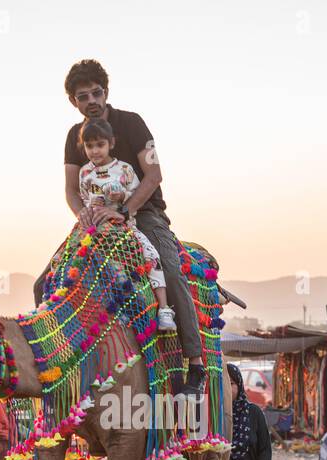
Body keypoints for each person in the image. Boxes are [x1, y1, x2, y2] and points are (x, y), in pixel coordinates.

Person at [47, 59, 207, 394]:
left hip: (143, 213)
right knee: (47, 280)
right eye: (82, 96)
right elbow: (70, 189)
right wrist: (84, 215)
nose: (91, 100)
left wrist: (125, 210)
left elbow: (154, 176)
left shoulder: (132, 123)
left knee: (171, 270)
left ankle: (194, 363)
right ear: (73, 102)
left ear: (106, 92)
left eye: (96, 92)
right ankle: (59, 372)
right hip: (95, 220)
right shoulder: (73, 137)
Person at [77, 119, 177, 334]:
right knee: (69, 263)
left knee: (151, 256)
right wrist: (89, 208)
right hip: (96, 230)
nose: (95, 151)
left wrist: (121, 196)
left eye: (100, 145)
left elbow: (135, 192)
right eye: (89, 146)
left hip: (124, 228)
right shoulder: (85, 173)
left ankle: (164, 308)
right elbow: (84, 198)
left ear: (111, 143)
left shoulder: (124, 169)